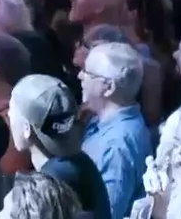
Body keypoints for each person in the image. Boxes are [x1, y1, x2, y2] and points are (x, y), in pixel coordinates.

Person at [10, 75, 110, 219]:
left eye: (11, 110)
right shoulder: (82, 163)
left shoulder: (48, 185)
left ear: (27, 128)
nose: (8, 115)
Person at [78, 42, 154, 219]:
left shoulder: (118, 145)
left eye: (88, 72)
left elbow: (108, 212)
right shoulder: (101, 121)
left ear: (109, 87)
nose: (80, 75)